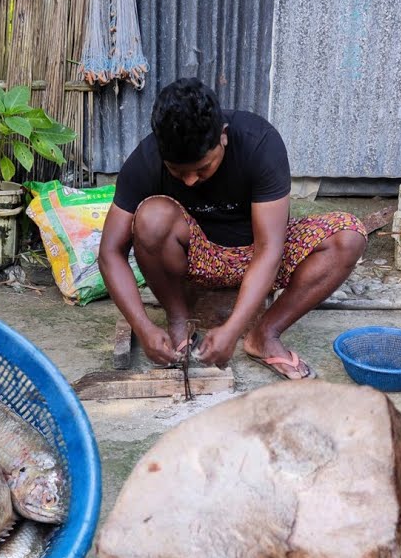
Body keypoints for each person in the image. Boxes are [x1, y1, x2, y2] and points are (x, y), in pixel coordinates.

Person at [96, 77, 367, 380]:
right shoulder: (146, 159)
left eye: (202, 168)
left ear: (223, 137)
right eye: (177, 172)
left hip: (260, 252)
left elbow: (270, 249)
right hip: (199, 256)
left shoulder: (260, 143)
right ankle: (178, 319)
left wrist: (235, 328)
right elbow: (109, 253)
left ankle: (264, 334)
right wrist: (143, 326)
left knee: (348, 235)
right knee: (151, 217)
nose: (189, 181)